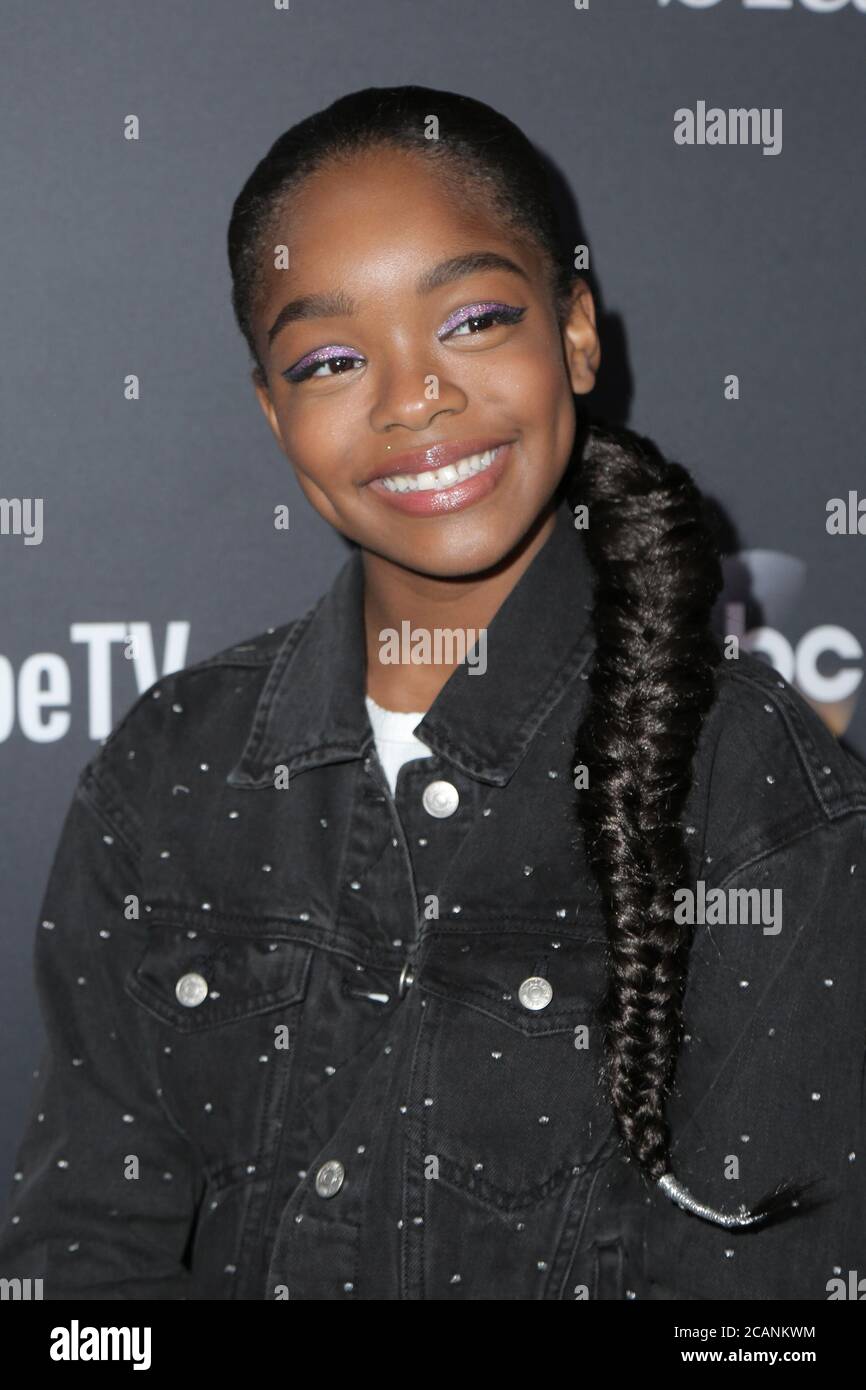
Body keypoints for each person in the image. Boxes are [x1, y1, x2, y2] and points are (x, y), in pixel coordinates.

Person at [0, 84, 863, 1301]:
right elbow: (80, 1267)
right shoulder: (166, 768)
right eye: (333, 358)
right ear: (271, 410)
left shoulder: (754, 785)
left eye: (469, 321)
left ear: (573, 333)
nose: (413, 398)